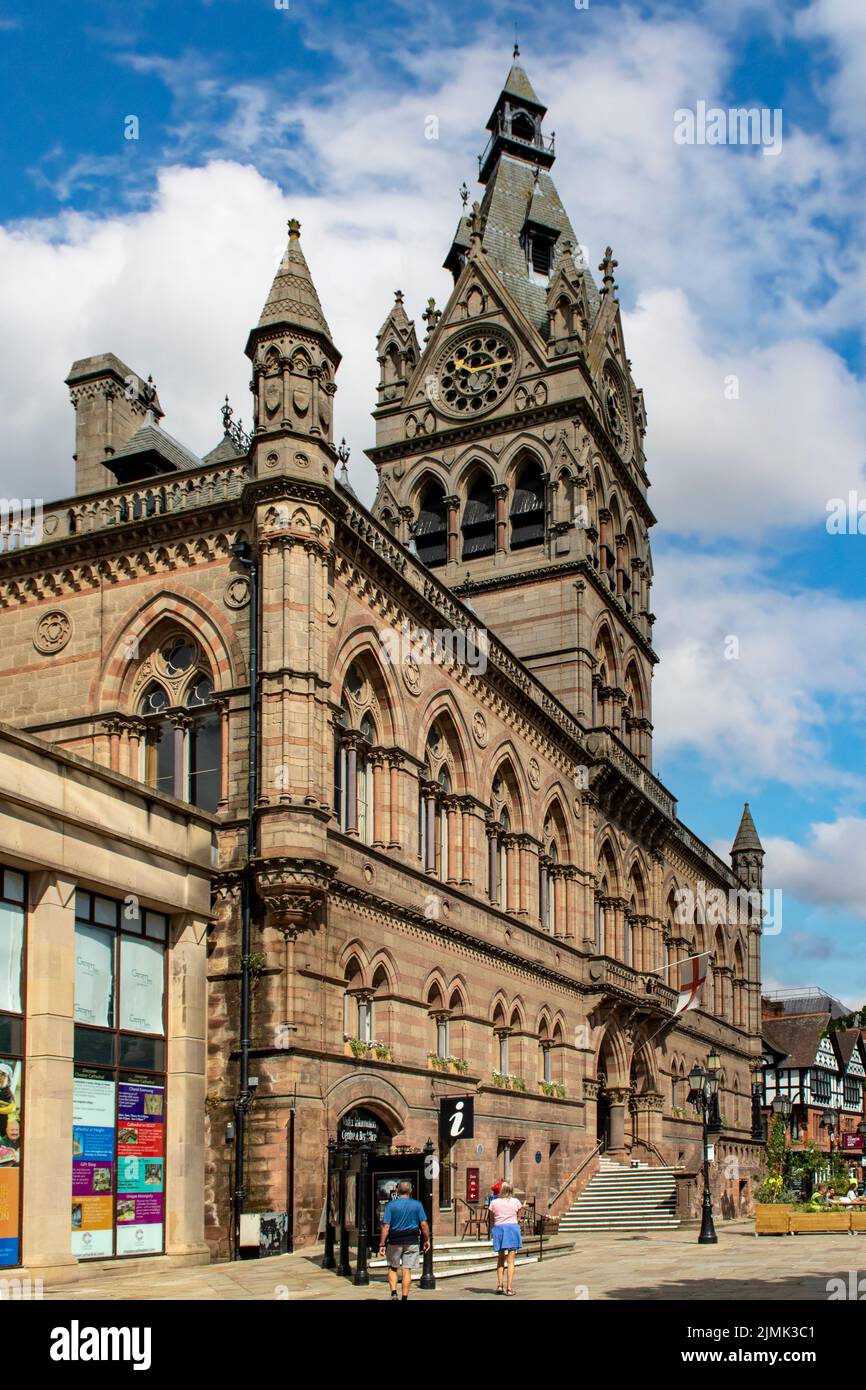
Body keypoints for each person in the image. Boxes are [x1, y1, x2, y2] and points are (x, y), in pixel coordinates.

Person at [378, 1180, 430, 1301]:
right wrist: (427, 1239)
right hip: (412, 1240)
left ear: (397, 1191)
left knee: (392, 1267)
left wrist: (382, 1243)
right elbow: (424, 1224)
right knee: (407, 1270)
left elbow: (386, 1226)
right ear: (410, 1191)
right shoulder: (417, 1205)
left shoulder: (391, 1205)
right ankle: (405, 1297)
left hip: (394, 1240)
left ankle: (394, 1293)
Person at [487, 1180, 523, 1296]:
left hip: (499, 1229)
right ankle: (509, 1288)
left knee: (500, 1259)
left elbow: (491, 1218)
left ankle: (499, 1285)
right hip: (512, 1229)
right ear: (511, 1190)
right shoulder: (516, 1201)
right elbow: (519, 1216)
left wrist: (493, 1228)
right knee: (511, 1261)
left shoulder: (494, 1203)